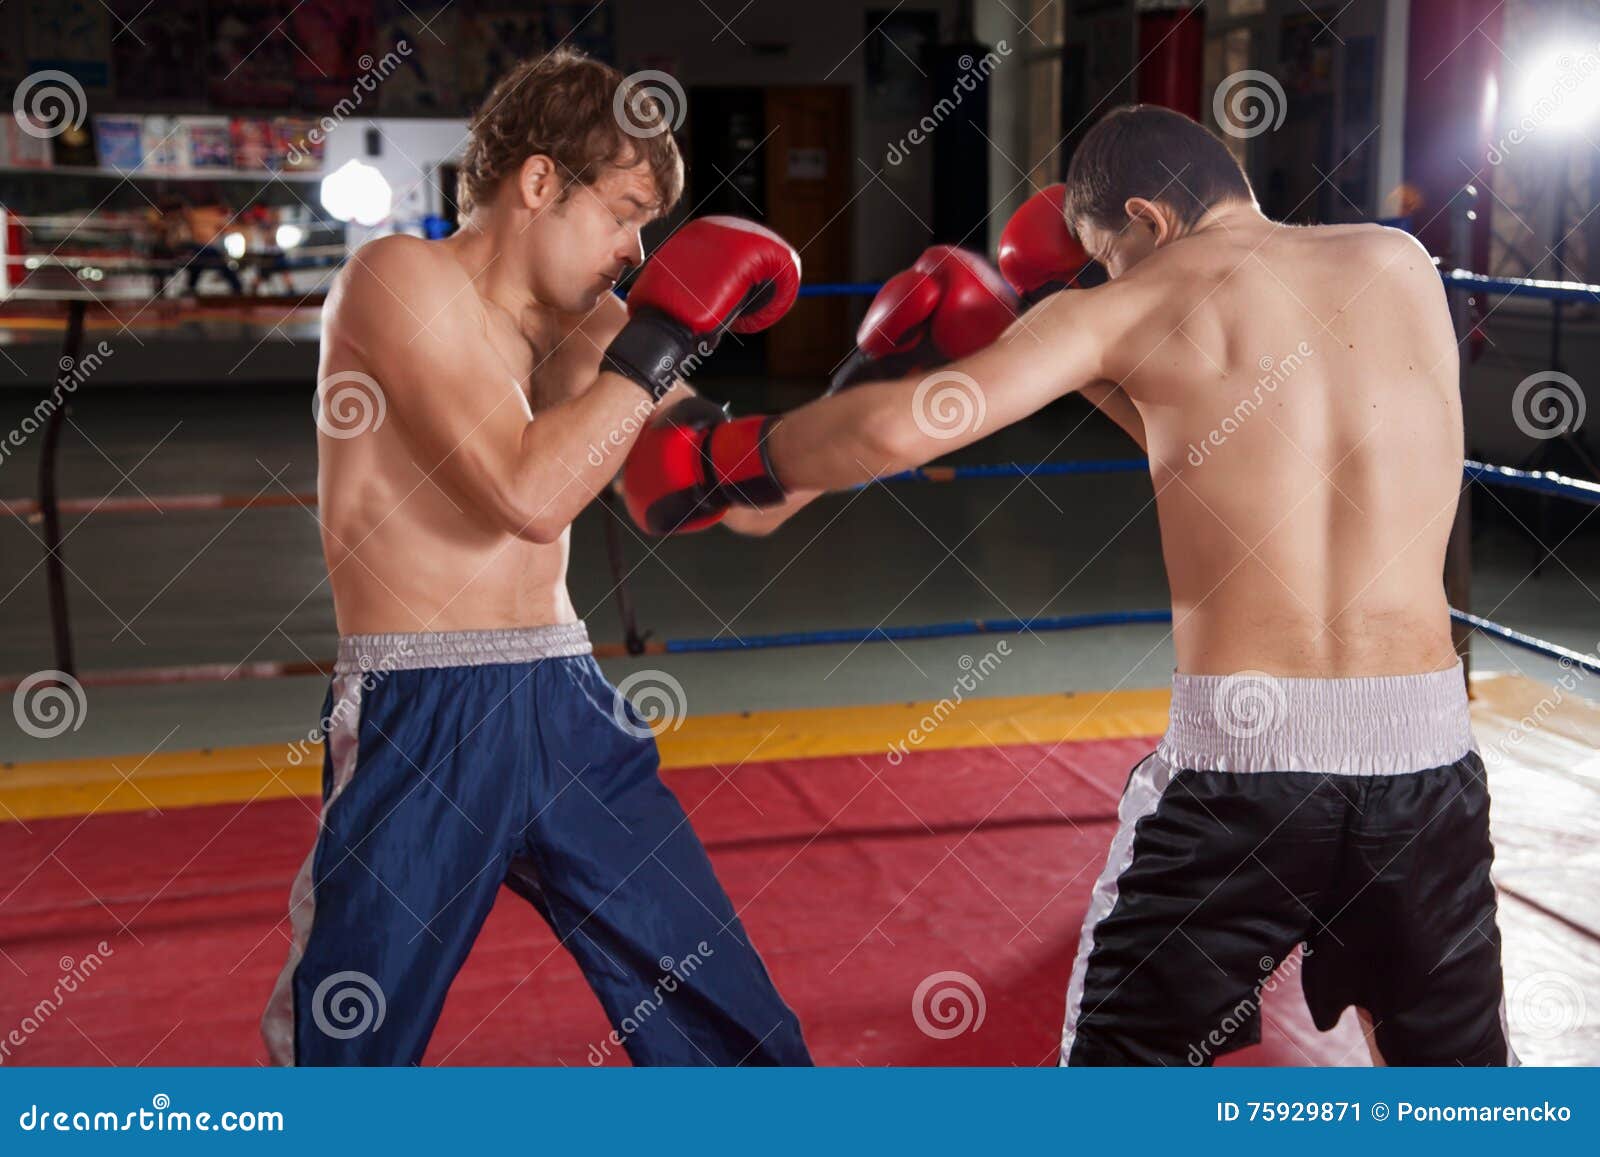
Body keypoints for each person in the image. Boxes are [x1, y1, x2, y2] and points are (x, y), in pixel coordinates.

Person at [627, 104, 1514, 1067]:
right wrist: (1069, 347)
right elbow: (1235, 455)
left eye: (1106, 256)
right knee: (1464, 1094)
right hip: (1426, 763)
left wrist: (727, 456)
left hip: (1245, 769)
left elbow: (894, 432)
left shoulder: (1128, 303)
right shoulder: (1398, 264)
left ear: (1148, 218)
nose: (1103, 281)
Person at [262, 49, 814, 1066]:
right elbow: (525, 493)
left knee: (726, 1012)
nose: (635, 248)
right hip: (425, 709)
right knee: (353, 1045)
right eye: (623, 211)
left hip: (565, 698)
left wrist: (892, 391)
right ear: (538, 182)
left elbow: (733, 494)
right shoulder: (397, 279)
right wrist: (658, 342)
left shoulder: (596, 331)